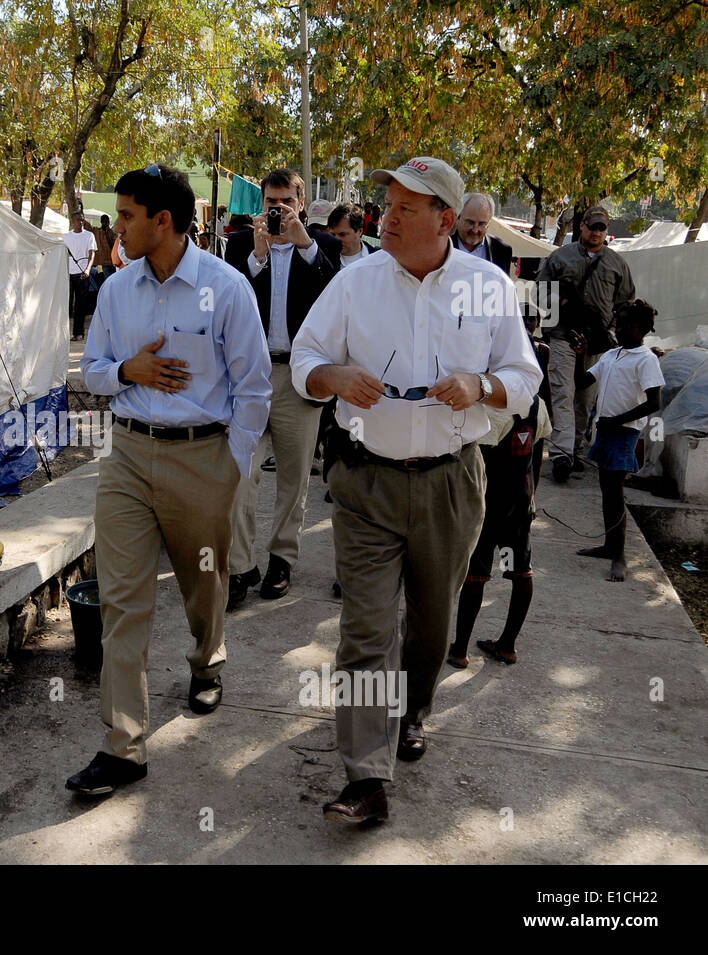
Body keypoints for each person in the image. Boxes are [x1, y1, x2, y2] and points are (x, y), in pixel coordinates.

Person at [291, 156, 542, 825]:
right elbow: (303, 361)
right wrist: (336, 377)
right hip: (366, 484)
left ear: (445, 220)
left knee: (430, 627)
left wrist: (481, 386)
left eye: (405, 208)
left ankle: (413, 711)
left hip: (451, 485)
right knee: (366, 630)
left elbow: (524, 375)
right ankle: (366, 776)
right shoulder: (354, 282)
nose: (387, 218)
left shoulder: (488, 286)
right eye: (387, 205)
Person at [67, 163, 272, 797]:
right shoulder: (114, 290)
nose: (116, 228)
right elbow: (93, 372)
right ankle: (124, 746)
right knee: (123, 601)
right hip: (127, 456)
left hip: (202, 459)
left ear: (163, 221)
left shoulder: (227, 288)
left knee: (202, 584)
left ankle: (207, 660)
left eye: (127, 216)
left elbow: (255, 388)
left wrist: (231, 469)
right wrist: (129, 369)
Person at [223, 169, 341, 610]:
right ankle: (239, 566)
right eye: (270, 201)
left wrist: (304, 244)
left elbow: (334, 296)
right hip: (250, 379)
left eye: (284, 201)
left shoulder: (322, 247)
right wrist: (257, 258)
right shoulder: (239, 246)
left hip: (298, 378)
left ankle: (281, 559)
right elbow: (227, 305)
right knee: (240, 474)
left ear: (301, 203)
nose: (276, 209)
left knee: (293, 479)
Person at [447, 390, 551, 668]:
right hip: (519, 506)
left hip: (488, 506)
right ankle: (507, 644)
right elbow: (537, 454)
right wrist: (531, 495)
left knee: (477, 573)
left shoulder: (491, 409)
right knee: (518, 570)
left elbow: (475, 461)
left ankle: (460, 649)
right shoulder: (536, 404)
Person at [537, 205, 636, 483]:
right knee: (562, 393)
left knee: (586, 398)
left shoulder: (617, 263)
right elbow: (540, 293)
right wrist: (562, 305)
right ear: (581, 226)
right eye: (591, 226)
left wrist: (614, 331)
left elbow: (625, 301)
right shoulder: (559, 257)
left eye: (601, 228)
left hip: (597, 341)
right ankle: (561, 454)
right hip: (562, 335)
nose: (596, 232)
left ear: (606, 230)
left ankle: (575, 449)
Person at [575, 300, 663, 583]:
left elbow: (653, 403)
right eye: (619, 322)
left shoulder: (646, 359)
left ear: (640, 328)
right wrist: (581, 355)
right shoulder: (612, 354)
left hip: (623, 433)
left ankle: (619, 556)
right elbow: (581, 383)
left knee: (615, 494)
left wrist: (615, 420)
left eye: (625, 323)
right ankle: (610, 546)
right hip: (607, 430)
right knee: (607, 491)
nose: (619, 328)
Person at [451, 193, 513, 274]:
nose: (475, 230)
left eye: (481, 224)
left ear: (489, 223)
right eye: (470, 222)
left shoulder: (502, 250)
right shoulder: (442, 245)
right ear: (458, 217)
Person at [63, 215, 97, 340]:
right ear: (73, 221)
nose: (80, 222)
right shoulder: (66, 237)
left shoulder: (89, 236)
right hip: (68, 274)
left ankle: (79, 333)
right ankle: (64, 333)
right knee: (67, 304)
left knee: (80, 305)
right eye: (78, 220)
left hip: (83, 274)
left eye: (82, 220)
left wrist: (88, 269)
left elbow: (92, 254)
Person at [326, 203, 374, 268]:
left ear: (359, 231)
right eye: (333, 234)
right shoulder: (324, 260)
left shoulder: (377, 258)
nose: (336, 239)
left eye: (342, 234)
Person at [91, 214, 117, 287]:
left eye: (107, 222)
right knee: (105, 282)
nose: (106, 224)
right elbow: (89, 227)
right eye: (105, 222)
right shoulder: (97, 231)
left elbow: (114, 245)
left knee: (111, 281)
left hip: (110, 262)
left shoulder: (112, 233)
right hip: (102, 262)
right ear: (101, 222)